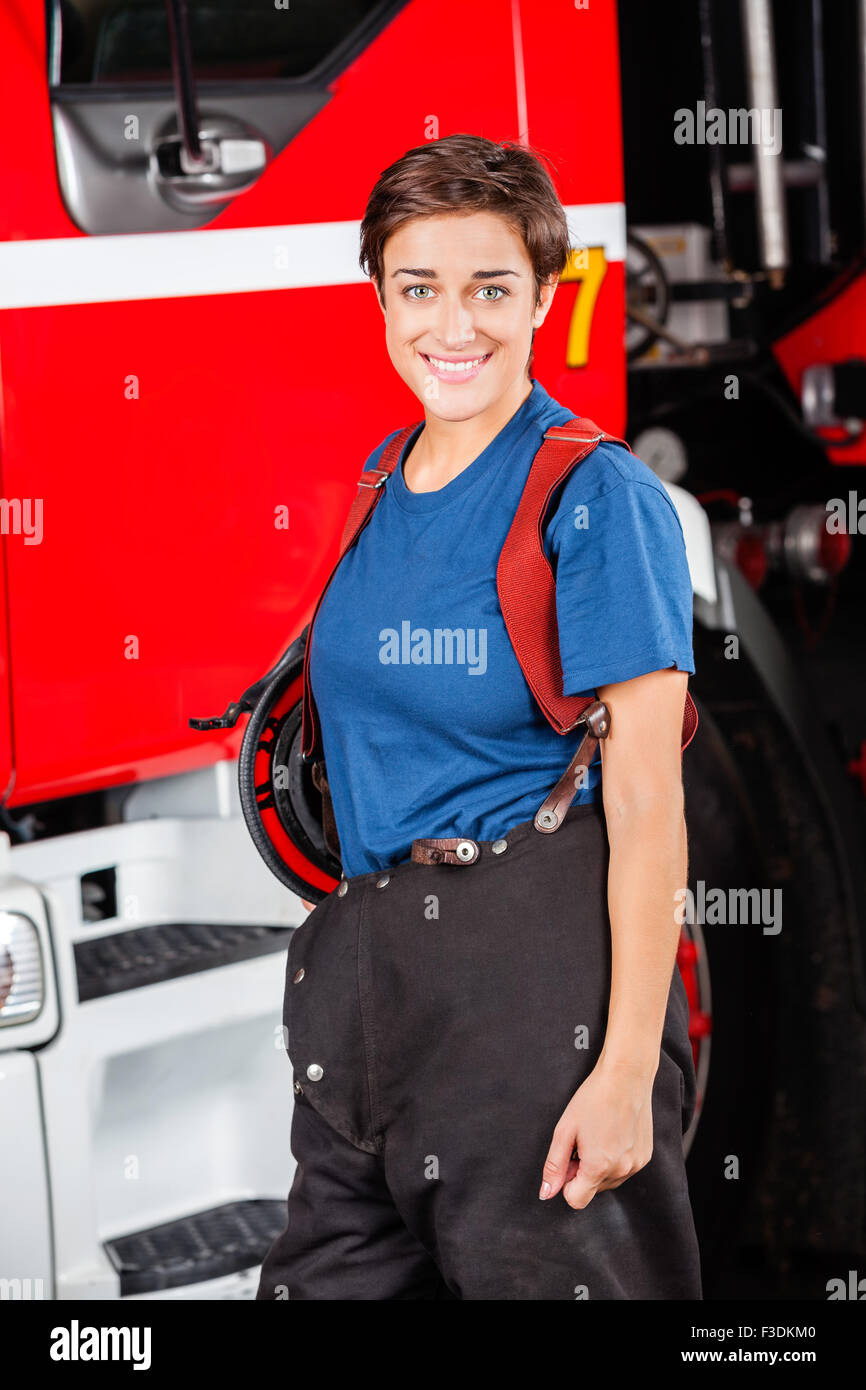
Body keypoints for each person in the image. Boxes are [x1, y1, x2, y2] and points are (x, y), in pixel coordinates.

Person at [256, 133, 702, 1301]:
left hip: (532, 1021)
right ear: (380, 296)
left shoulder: (595, 495)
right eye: (419, 288)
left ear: (545, 297)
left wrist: (616, 1075)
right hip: (365, 1007)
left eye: (490, 288)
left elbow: (650, 803)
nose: (452, 327)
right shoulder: (379, 475)